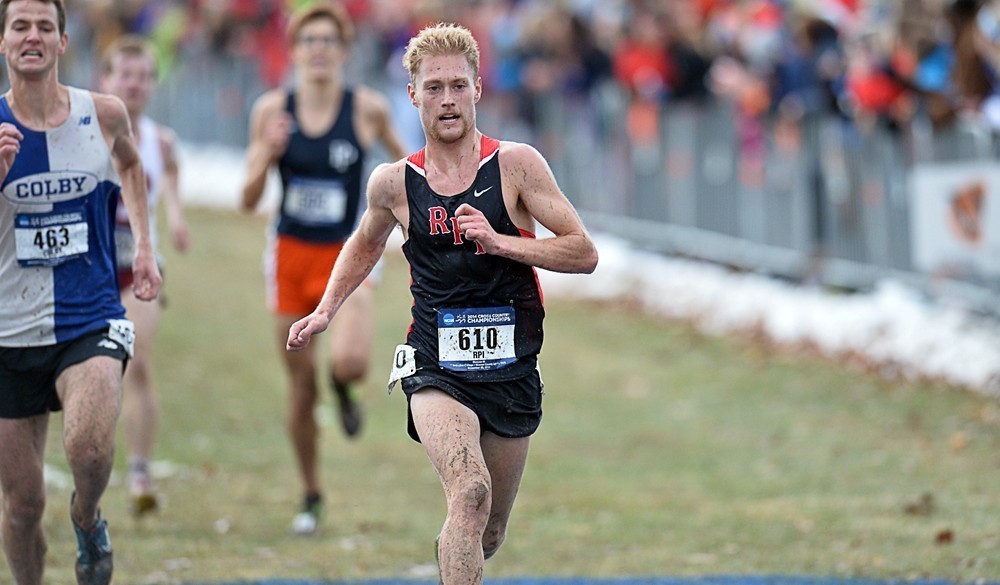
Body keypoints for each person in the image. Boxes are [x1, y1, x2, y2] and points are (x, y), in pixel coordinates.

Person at [287, 22, 598, 584]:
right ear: (413, 94)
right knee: (470, 491)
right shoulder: (394, 183)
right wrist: (327, 309)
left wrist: (502, 242)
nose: (448, 99)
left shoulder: (516, 165)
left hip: (511, 368)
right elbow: (364, 245)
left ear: (478, 87)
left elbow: (583, 253)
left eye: (458, 85)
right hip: (435, 365)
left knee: (489, 530)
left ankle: (455, 552)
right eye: (434, 87)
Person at [0, 0, 162, 582]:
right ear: (3, 42)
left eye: (45, 26)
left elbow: (132, 166)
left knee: (90, 450)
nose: (33, 36)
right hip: (8, 330)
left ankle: (87, 517)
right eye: (20, 26)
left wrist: (143, 246)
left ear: (64, 42)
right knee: (22, 507)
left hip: (88, 314)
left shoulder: (103, 113)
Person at [240, 0, 406, 536]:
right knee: (300, 386)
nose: (318, 50)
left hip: (348, 253)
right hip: (290, 255)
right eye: (308, 41)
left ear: (343, 50)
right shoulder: (272, 110)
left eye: (328, 41)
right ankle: (311, 492)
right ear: (293, 50)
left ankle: (344, 388)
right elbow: (247, 198)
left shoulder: (367, 109)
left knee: (351, 361)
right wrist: (268, 154)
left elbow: (409, 168)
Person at [99, 34, 190, 517]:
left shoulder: (160, 140)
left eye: (144, 76)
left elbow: (169, 173)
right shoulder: (84, 132)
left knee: (135, 362)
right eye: (125, 74)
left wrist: (175, 217)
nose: (134, 84)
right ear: (105, 79)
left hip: (141, 269)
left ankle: (138, 471)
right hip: (91, 268)